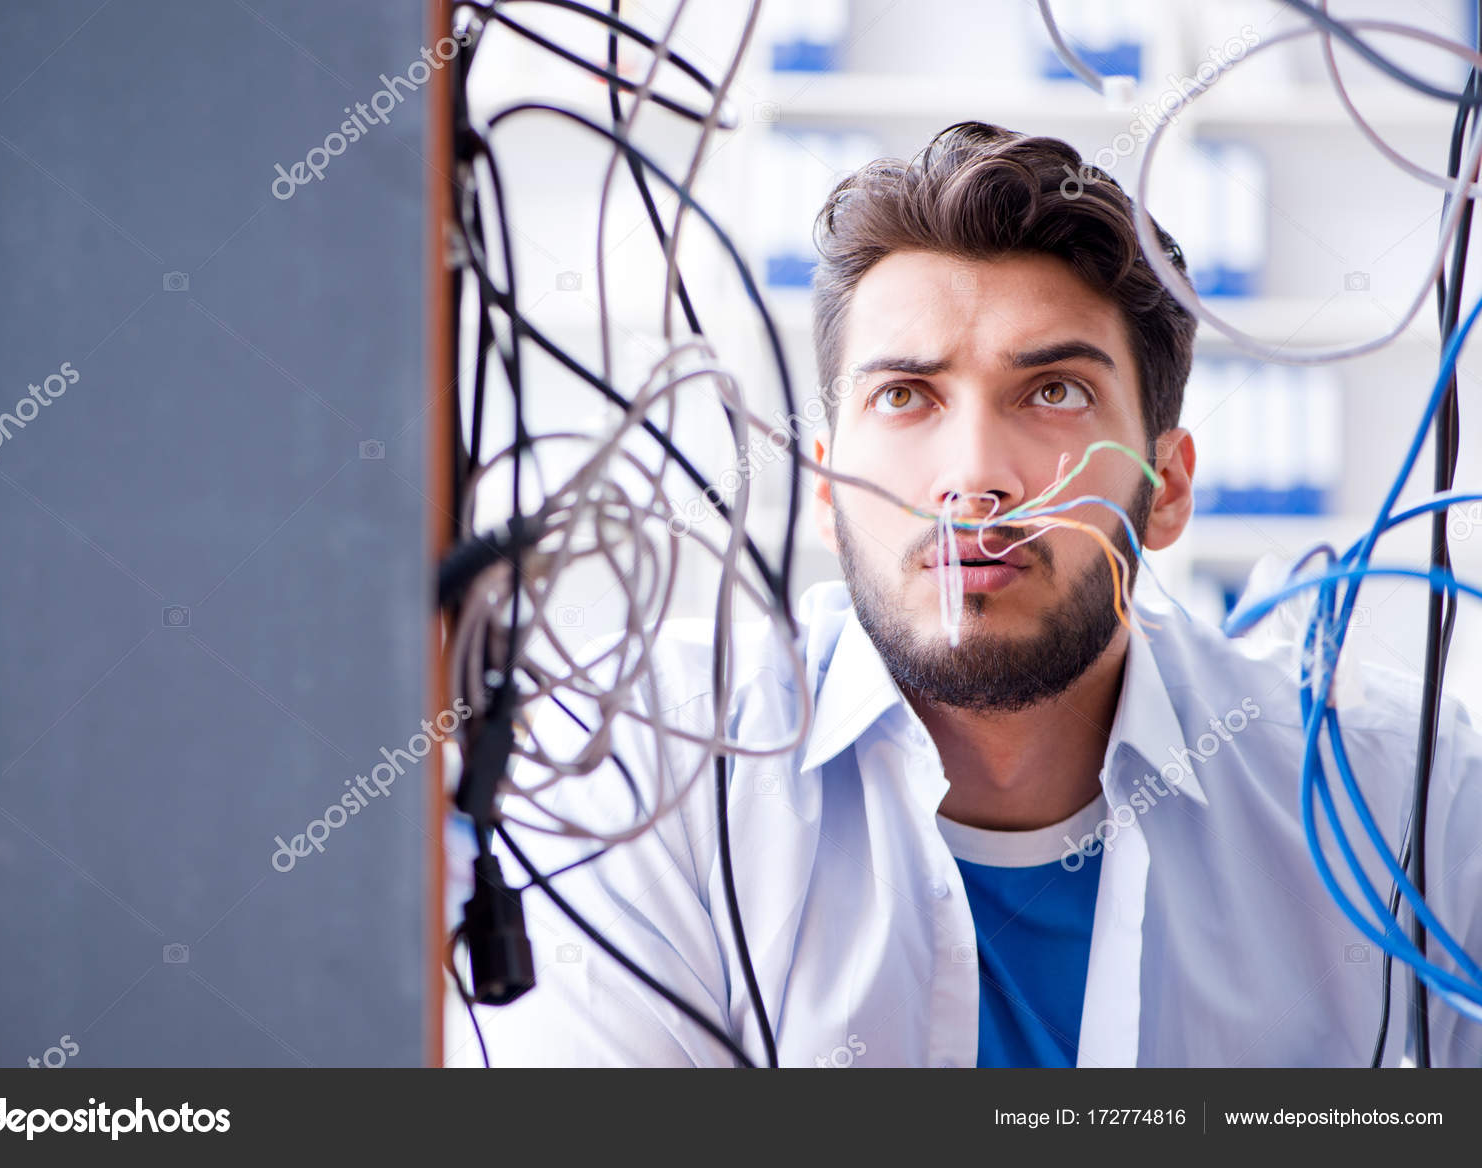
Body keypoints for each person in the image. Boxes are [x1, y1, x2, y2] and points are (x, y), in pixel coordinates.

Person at [472, 122, 1482, 1067]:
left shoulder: (1396, 795)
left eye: (1053, 393)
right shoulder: (651, 772)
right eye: (905, 395)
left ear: (1164, 487)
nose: (974, 477)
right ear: (825, 491)